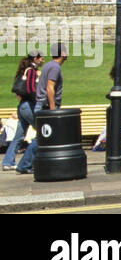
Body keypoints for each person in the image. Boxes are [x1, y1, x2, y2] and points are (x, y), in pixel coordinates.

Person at [16, 43, 68, 175]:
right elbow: (50, 88)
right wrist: (52, 110)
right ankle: (25, 164)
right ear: (62, 53)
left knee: (44, 136)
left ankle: (29, 164)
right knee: (43, 136)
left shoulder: (48, 65)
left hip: (41, 104)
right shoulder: (55, 67)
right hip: (46, 106)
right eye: (66, 50)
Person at [3, 51, 41, 171]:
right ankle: (27, 162)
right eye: (41, 58)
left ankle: (8, 161)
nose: (43, 60)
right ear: (35, 58)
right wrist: (39, 98)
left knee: (18, 137)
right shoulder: (31, 71)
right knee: (42, 133)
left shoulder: (24, 70)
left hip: (22, 107)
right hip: (29, 106)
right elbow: (30, 89)